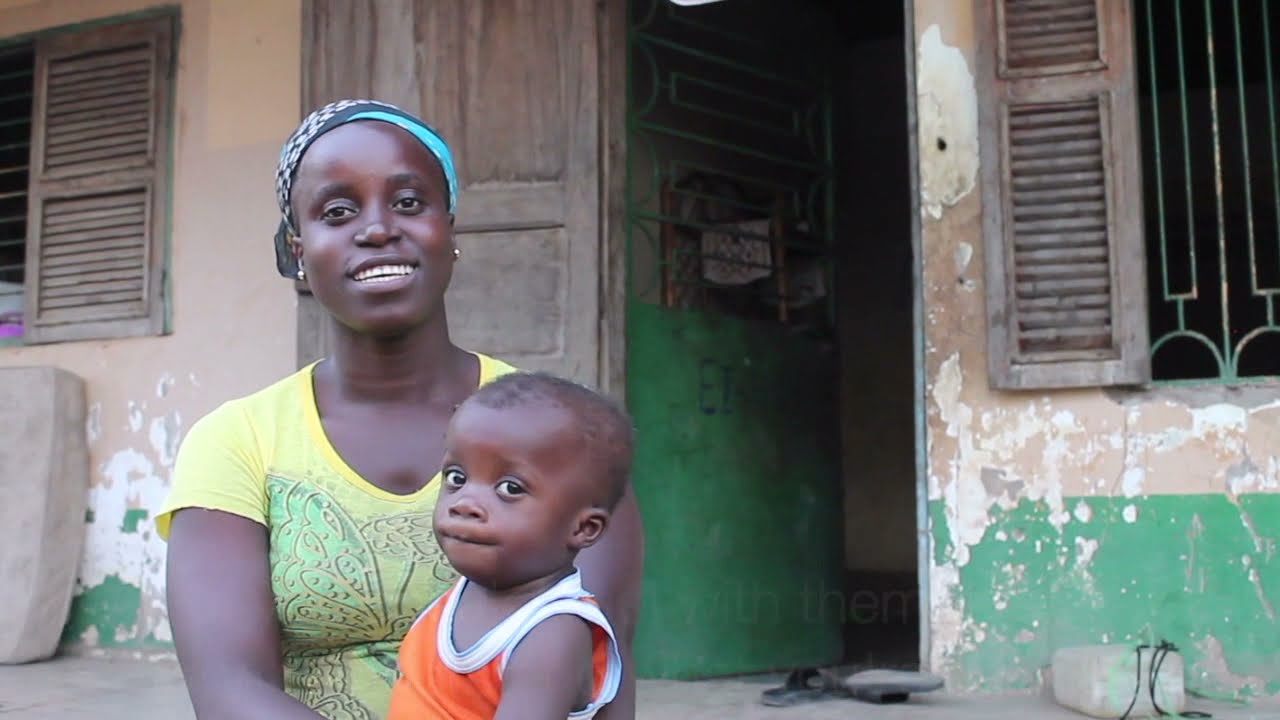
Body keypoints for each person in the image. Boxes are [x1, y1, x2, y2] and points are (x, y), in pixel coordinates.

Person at [156, 99, 643, 720]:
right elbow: (230, 691)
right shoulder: (236, 442)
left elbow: (599, 672)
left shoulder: (566, 433)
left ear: (450, 231)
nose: (379, 228)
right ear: (297, 249)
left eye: (409, 203)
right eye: (337, 211)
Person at [386, 371, 632, 720]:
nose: (465, 502)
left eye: (510, 489)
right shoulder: (467, 593)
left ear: (583, 528)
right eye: (456, 478)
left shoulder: (551, 634)